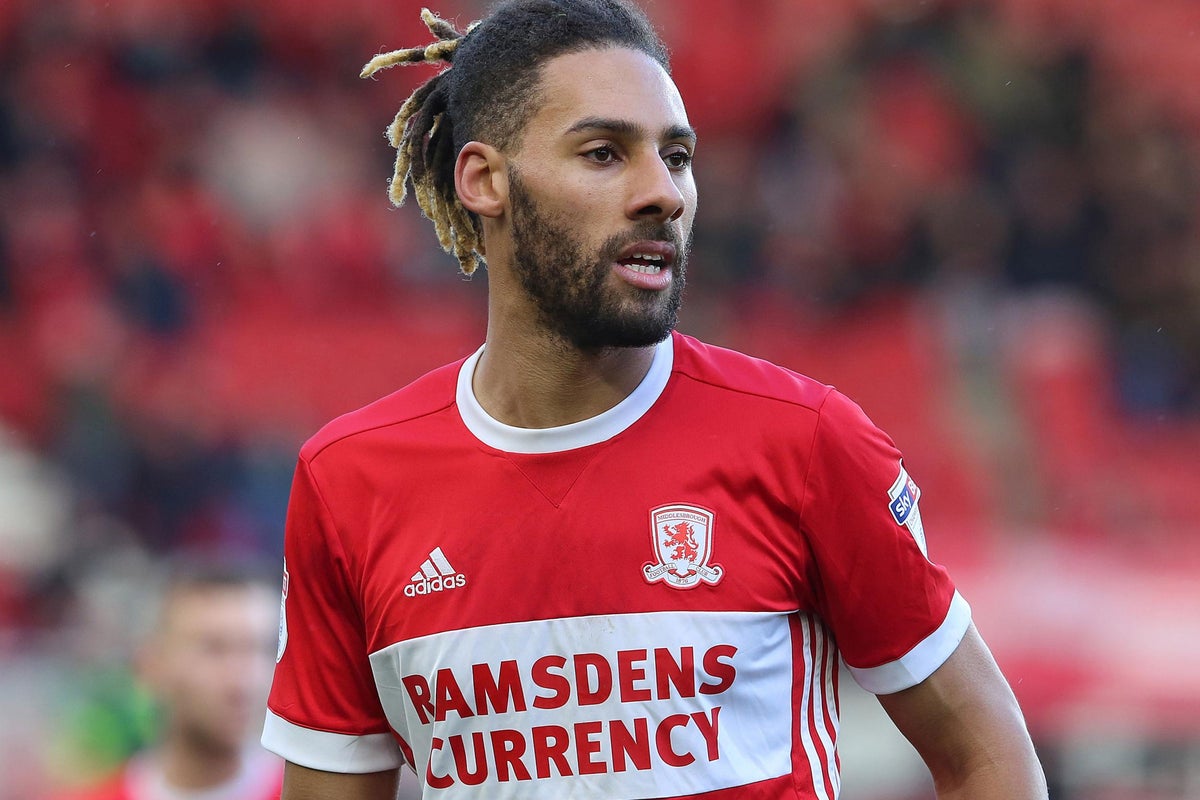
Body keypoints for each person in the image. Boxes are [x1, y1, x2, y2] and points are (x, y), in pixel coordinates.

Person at [262, 1, 1048, 798]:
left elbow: (988, 756)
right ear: (484, 180)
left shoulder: (807, 442)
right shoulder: (350, 482)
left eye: (677, 157)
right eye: (605, 153)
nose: (662, 194)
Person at [60, 564, 283, 800]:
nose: (244, 680)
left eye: (262, 649)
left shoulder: (307, 793)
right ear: (150, 665)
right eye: (214, 649)